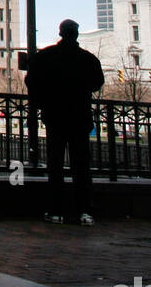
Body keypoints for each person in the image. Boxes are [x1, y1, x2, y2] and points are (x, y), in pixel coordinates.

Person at [25, 19, 104, 225]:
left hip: (55, 117)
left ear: (60, 33)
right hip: (80, 118)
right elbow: (98, 83)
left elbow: (31, 81)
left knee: (55, 165)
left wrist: (42, 103)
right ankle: (84, 211)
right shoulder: (88, 59)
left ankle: (56, 211)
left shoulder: (46, 57)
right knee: (82, 166)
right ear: (76, 35)